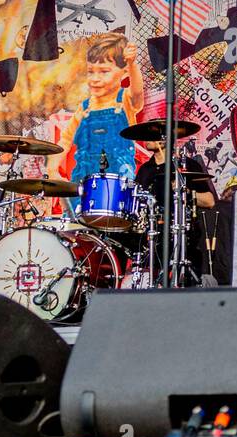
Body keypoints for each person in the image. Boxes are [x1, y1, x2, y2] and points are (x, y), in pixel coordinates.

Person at [58, 34, 144, 184]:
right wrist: (52, 170)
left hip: (118, 181)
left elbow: (137, 92)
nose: (95, 78)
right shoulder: (85, 108)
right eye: (91, 71)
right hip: (84, 179)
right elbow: (65, 141)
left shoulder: (125, 100)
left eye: (104, 71)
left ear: (124, 73)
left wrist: (132, 64)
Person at [133, 134, 217, 284]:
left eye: (151, 133)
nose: (146, 137)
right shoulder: (145, 170)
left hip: (180, 234)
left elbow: (209, 201)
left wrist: (183, 190)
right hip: (150, 234)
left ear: (164, 140)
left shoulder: (187, 166)